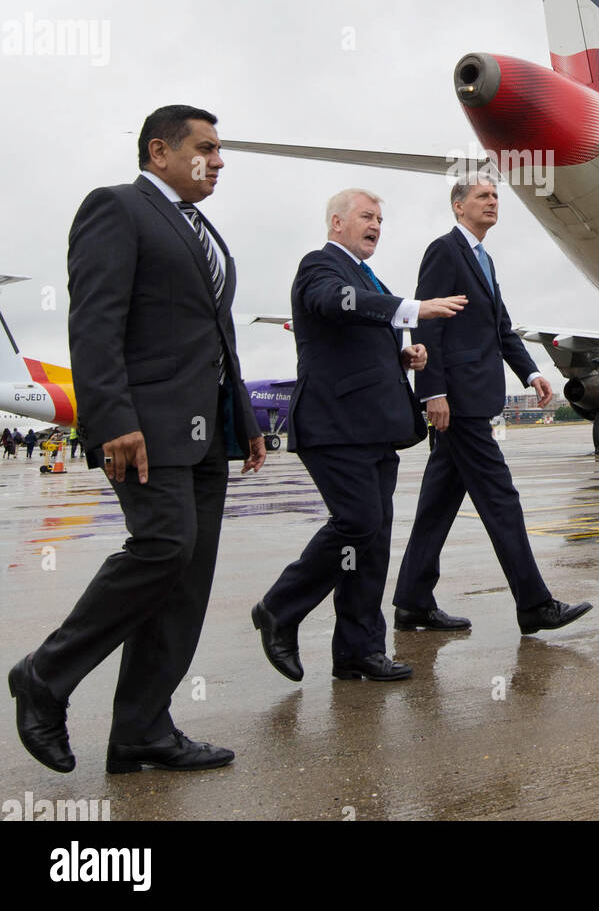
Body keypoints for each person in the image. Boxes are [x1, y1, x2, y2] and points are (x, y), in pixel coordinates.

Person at [8, 104, 266, 776]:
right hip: (144, 427)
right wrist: (112, 417)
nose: (219, 160)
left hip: (208, 431)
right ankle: (45, 674)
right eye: (206, 147)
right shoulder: (117, 209)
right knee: (163, 546)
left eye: (220, 148)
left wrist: (246, 418)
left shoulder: (203, 230)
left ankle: (143, 728)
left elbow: (217, 336)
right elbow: (95, 319)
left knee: (187, 577)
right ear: (159, 151)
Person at [251, 189, 466, 684]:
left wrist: (402, 357)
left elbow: (356, 339)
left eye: (380, 219)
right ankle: (279, 608)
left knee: (372, 542)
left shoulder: (370, 277)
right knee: (357, 523)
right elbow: (336, 304)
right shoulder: (320, 266)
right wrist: (414, 309)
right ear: (336, 222)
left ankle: (359, 650)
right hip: (334, 425)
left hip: (375, 428)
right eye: (366, 217)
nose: (376, 225)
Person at [393, 179, 592, 636]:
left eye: (496, 197)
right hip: (458, 402)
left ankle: (412, 601)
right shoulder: (445, 251)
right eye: (483, 197)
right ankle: (534, 604)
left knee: (437, 506)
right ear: (459, 206)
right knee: (502, 499)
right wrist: (433, 392)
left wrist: (533, 373)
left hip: (475, 397)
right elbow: (428, 322)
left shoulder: (485, 260)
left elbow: (501, 329)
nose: (493, 202)